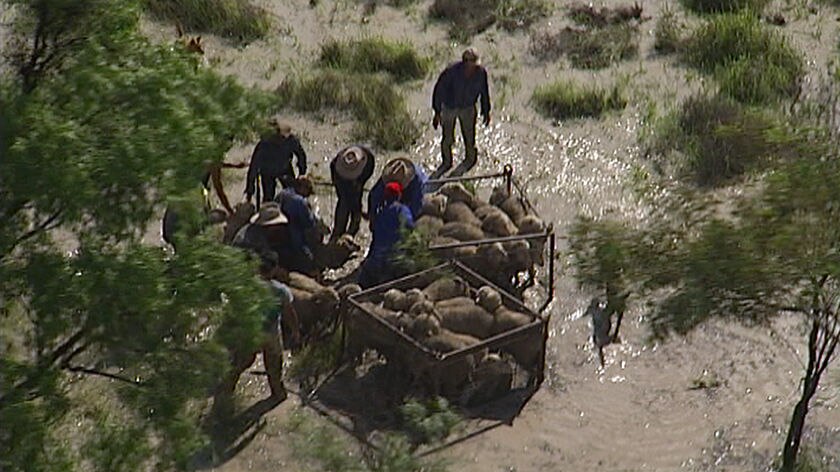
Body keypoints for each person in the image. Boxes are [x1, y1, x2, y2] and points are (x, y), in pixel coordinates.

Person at [214, 256, 301, 411]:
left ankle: (226, 390)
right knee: (274, 363)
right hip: (271, 332)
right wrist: (295, 331)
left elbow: (233, 309)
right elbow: (289, 313)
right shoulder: (280, 291)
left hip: (250, 330)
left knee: (242, 361)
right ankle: (277, 393)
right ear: (273, 270)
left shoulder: (246, 286)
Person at [431, 48, 491, 178]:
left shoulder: (481, 73)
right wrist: (437, 112)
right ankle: (447, 162)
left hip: (468, 107)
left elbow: (484, 92)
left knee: (470, 137)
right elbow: (438, 91)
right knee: (447, 138)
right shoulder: (450, 72)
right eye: (473, 63)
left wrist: (486, 111)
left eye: (476, 63)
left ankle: (470, 160)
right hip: (449, 107)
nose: (475, 66)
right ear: (465, 62)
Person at [359, 182, 415, 288]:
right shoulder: (402, 210)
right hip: (394, 259)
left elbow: (375, 239)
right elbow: (410, 228)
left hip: (377, 260)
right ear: (399, 195)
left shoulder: (380, 214)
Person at [244, 118, 308, 203]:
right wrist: (250, 190)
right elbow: (253, 168)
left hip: (285, 169)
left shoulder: (289, 141)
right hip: (268, 173)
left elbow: (301, 155)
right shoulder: (263, 145)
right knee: (268, 199)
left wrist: (302, 173)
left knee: (293, 196)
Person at [274, 176, 322, 275]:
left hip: (276, 235)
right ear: (303, 188)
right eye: (308, 192)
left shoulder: (282, 194)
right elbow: (309, 223)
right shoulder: (300, 202)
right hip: (293, 238)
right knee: (309, 259)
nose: (307, 196)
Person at [329, 145, 375, 243]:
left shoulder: (368, 158)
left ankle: (352, 230)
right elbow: (335, 177)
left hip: (358, 180)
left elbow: (369, 171)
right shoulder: (337, 163)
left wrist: (360, 182)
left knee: (356, 203)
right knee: (343, 203)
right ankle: (338, 232)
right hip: (341, 180)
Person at [368, 157, 427, 225]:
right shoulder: (389, 176)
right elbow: (374, 195)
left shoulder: (417, 180)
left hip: (414, 190)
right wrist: (372, 216)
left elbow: (416, 206)